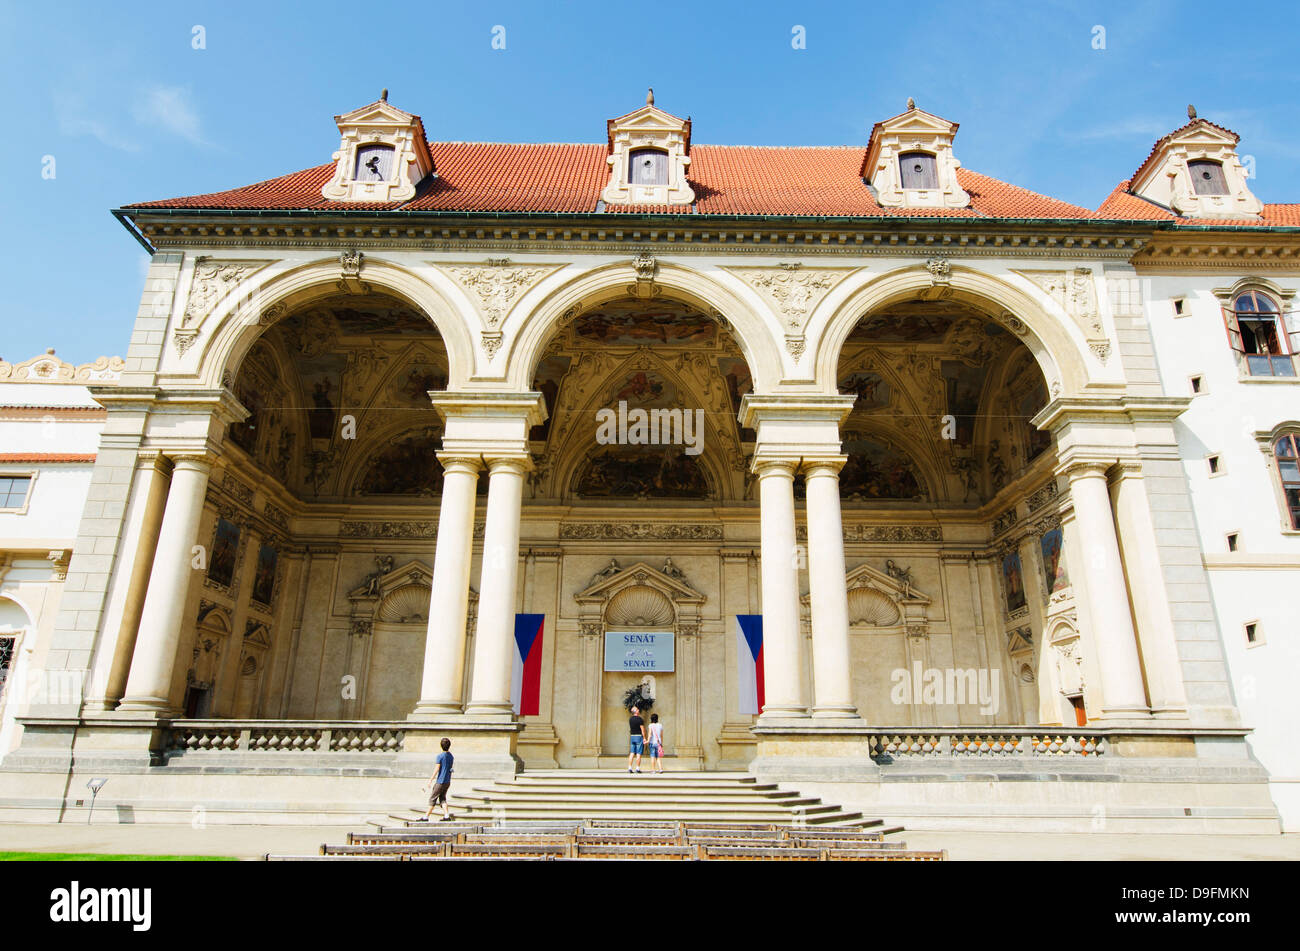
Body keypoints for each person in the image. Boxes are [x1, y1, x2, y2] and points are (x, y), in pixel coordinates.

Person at [419, 737, 454, 821]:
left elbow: (437, 769)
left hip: (440, 781)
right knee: (442, 798)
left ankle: (426, 816)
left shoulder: (440, 756)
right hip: (447, 781)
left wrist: (430, 780)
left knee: (432, 798)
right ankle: (446, 815)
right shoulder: (451, 756)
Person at [627, 705, 647, 773]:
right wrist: (644, 738)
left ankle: (629, 767)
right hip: (639, 736)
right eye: (638, 710)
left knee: (632, 753)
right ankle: (637, 768)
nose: (639, 710)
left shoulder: (630, 719)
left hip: (632, 736)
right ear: (635, 712)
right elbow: (642, 729)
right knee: (638, 753)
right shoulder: (640, 719)